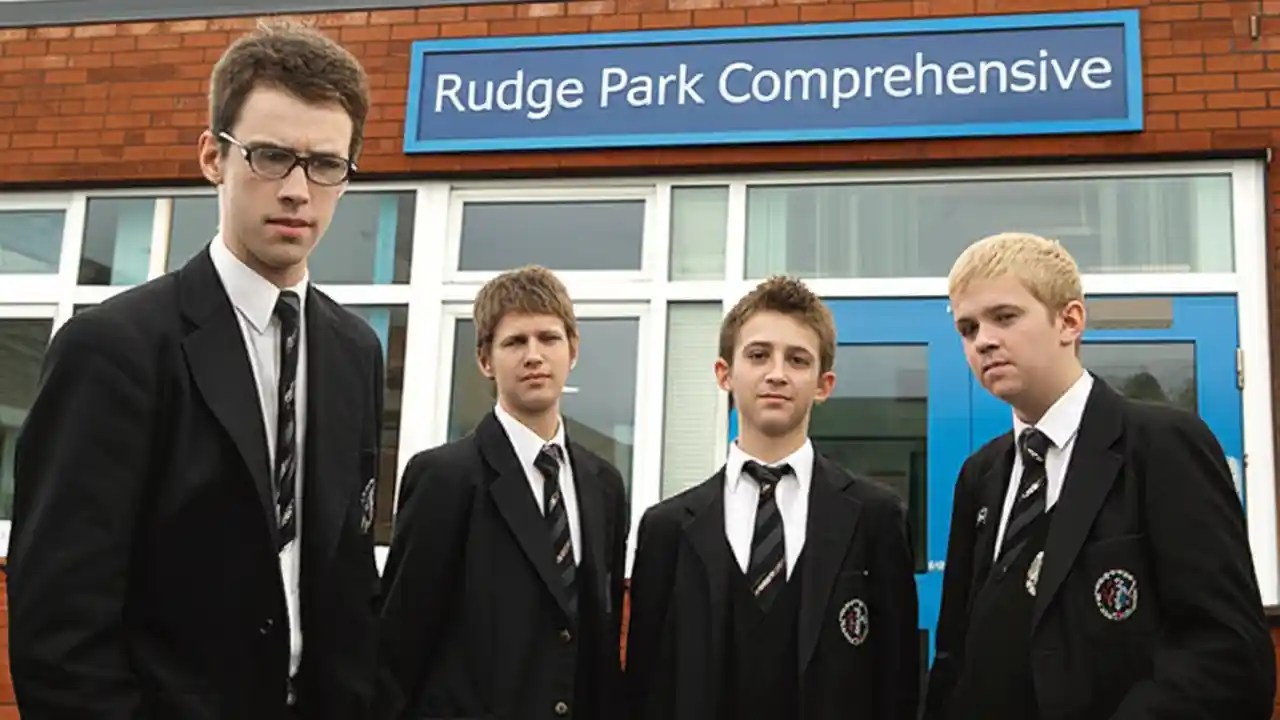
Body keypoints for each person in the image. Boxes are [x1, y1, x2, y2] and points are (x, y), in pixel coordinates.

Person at [7, 22, 384, 720]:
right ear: (213, 156)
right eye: (271, 157)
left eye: (326, 165)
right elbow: (59, 631)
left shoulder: (354, 351)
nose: (299, 190)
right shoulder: (114, 350)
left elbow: (347, 578)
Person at [923, 232, 1275, 720]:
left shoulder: (1163, 445)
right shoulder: (979, 475)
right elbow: (956, 653)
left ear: (1069, 321)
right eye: (967, 328)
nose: (983, 340)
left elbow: (1225, 652)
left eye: (1004, 317)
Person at [625, 275, 920, 720]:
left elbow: (897, 684)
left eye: (798, 359)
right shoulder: (665, 529)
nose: (777, 373)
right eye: (759, 355)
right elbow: (645, 689)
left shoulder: (876, 518)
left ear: (824, 384)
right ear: (725, 373)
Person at [375, 265, 629, 720]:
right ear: (485, 360)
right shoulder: (444, 478)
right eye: (515, 342)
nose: (534, 355)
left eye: (548, 338)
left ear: (573, 349)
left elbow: (597, 638)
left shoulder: (603, 484)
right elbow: (400, 644)